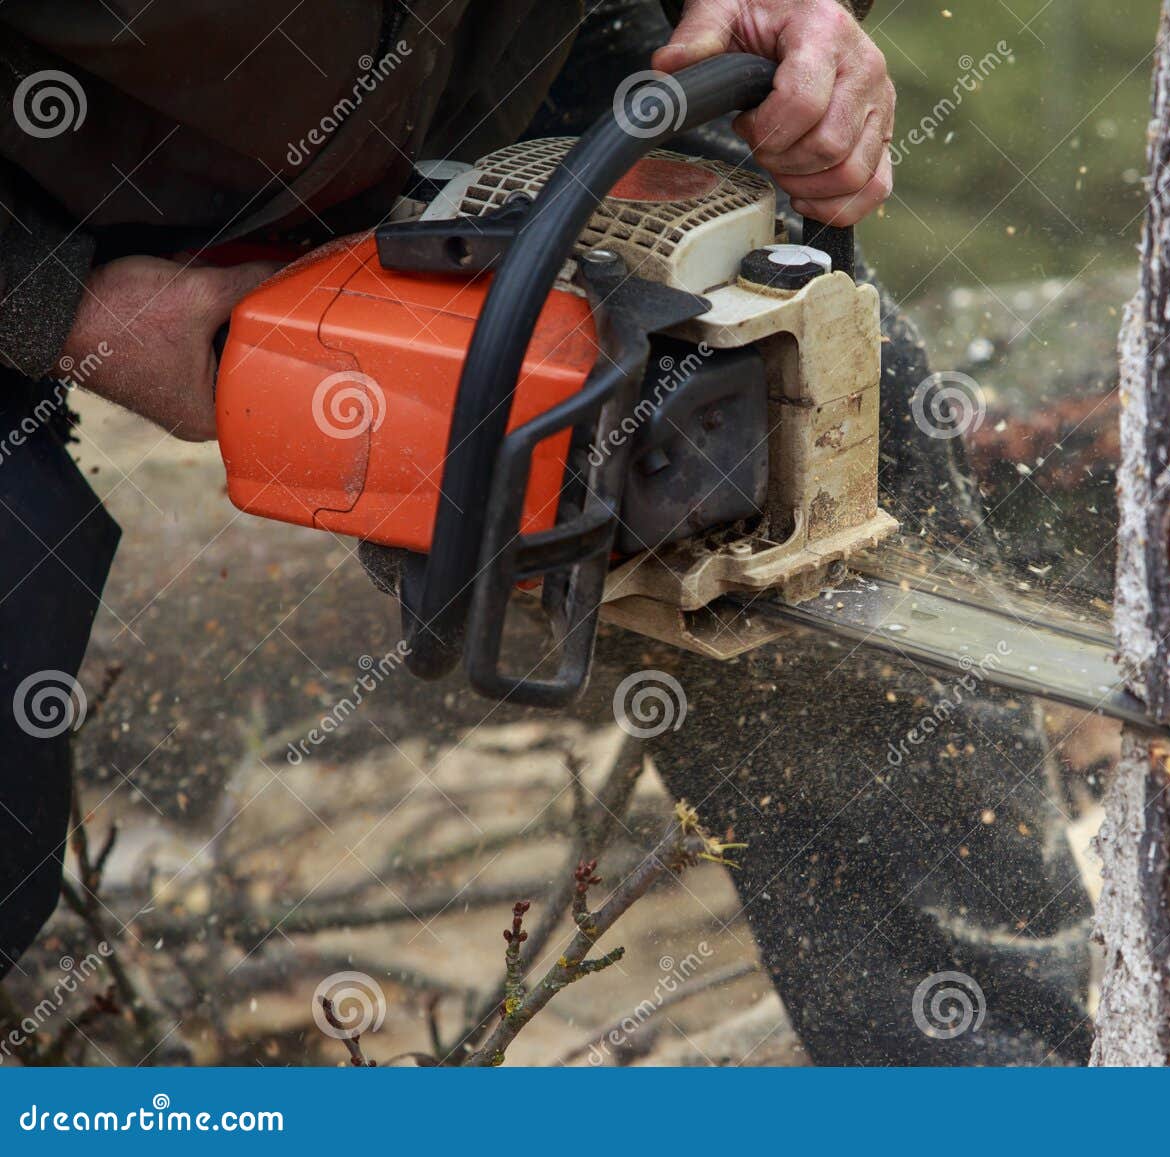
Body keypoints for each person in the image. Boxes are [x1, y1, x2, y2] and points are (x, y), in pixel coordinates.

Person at [1, 0, 1093, 1065]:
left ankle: (996, 1078)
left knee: (820, 422)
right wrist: (61, 305)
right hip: (45, 189)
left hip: (481, 83)